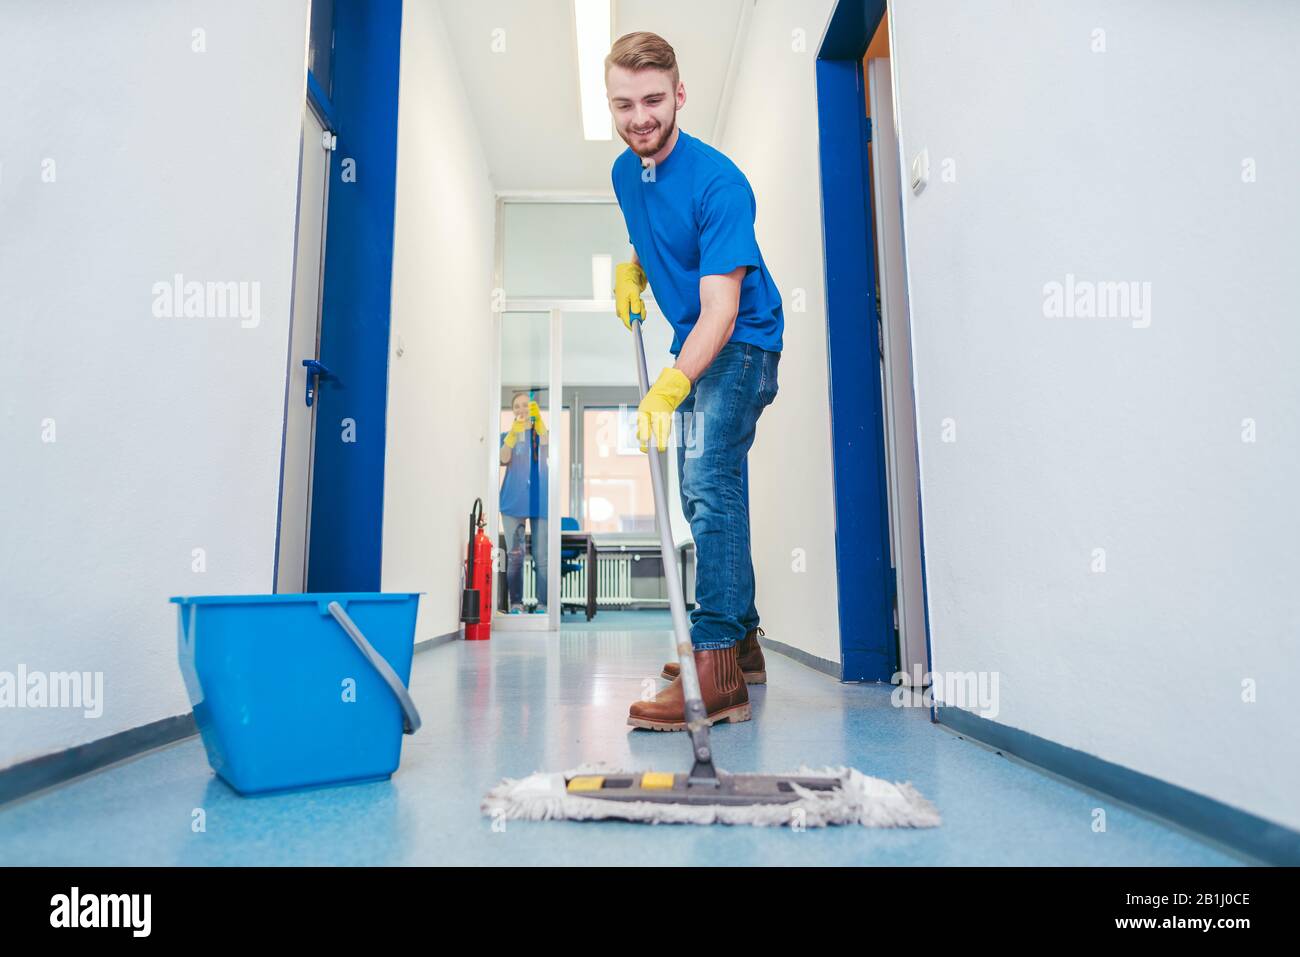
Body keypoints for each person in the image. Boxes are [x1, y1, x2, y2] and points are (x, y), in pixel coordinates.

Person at [606, 31, 783, 731]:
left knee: (707, 477)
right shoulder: (625, 173)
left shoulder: (720, 182)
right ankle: (742, 641)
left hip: (741, 341)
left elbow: (722, 308)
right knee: (715, 484)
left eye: (653, 100)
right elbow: (655, 230)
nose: (640, 117)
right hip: (699, 341)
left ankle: (716, 670)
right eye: (625, 104)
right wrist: (635, 268)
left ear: (679, 96)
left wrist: (672, 383)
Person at [498, 391, 549, 615]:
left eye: (525, 406)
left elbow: (549, 449)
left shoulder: (541, 434)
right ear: (512, 411)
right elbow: (502, 458)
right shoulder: (506, 435)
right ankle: (516, 604)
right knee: (515, 557)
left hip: (540, 502)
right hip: (512, 503)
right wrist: (511, 435)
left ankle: (543, 605)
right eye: (516, 406)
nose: (521, 410)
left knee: (542, 557)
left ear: (532, 410)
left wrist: (540, 425)